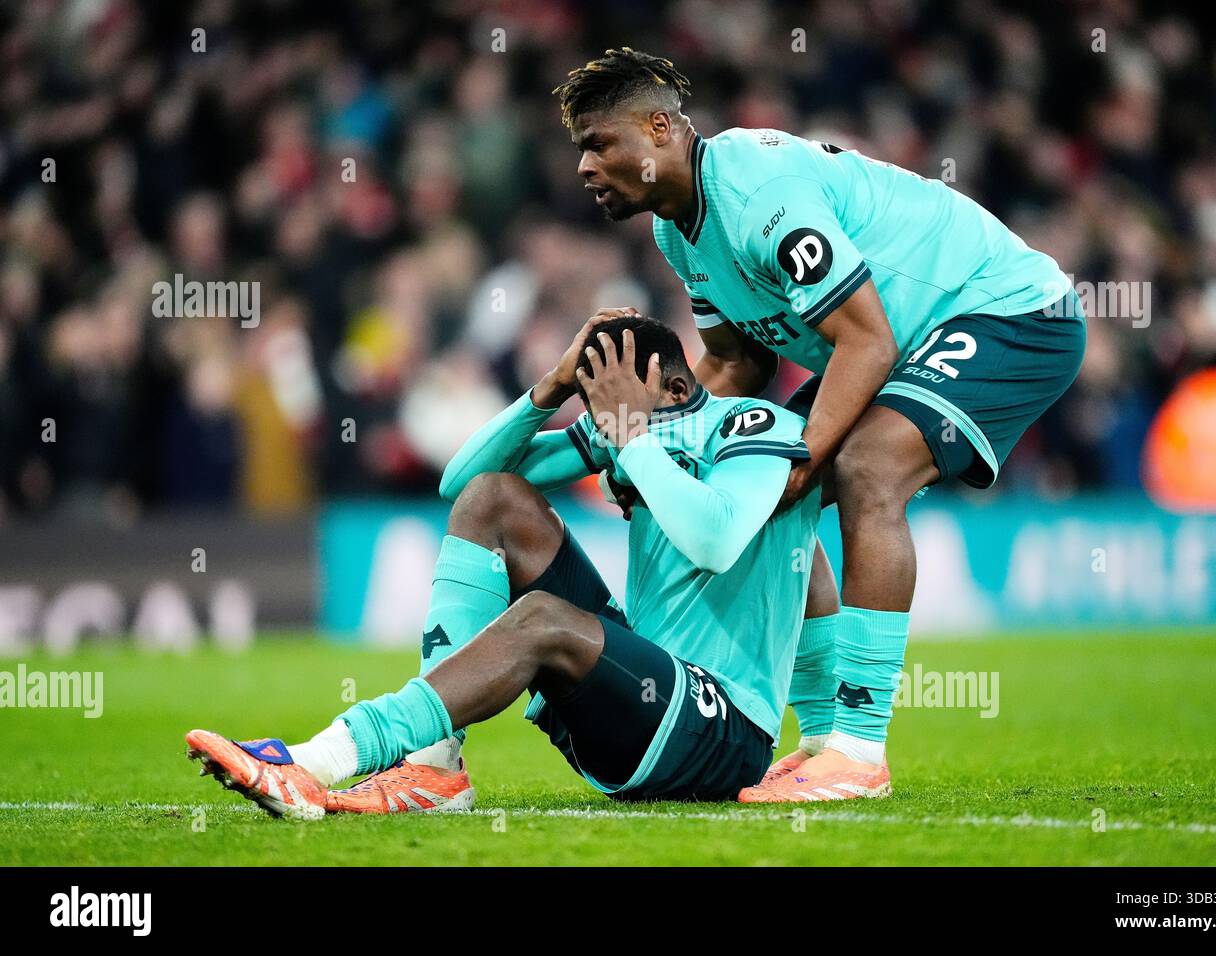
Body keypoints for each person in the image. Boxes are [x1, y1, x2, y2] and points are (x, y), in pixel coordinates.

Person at [553, 48, 1087, 801]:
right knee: (760, 480)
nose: (583, 164)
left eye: (598, 142)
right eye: (579, 147)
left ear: (661, 127)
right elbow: (737, 364)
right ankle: (822, 739)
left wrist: (801, 455)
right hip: (899, 340)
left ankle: (861, 752)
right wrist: (660, 444)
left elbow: (867, 338)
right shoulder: (679, 230)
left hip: (1007, 308)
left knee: (864, 466)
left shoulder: (759, 197)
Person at [185, 315, 825, 817]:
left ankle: (321, 758)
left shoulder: (754, 426)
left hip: (723, 735)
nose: (603, 418)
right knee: (495, 501)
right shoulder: (625, 431)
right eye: (597, 401)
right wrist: (549, 390)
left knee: (543, 618)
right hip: (638, 705)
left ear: (680, 388)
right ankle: (431, 767)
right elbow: (462, 482)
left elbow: (714, 539)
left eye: (615, 399)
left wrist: (632, 438)